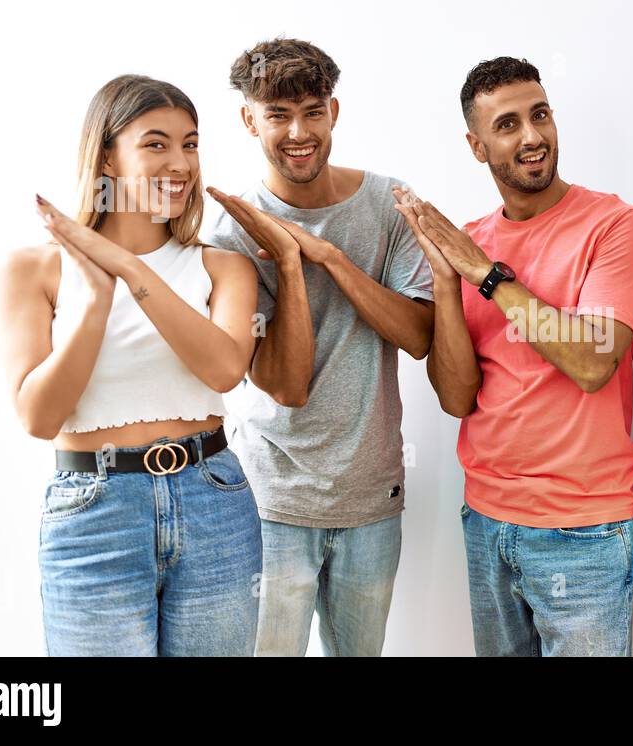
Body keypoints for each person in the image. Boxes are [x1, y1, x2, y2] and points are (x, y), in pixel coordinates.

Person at [392, 57, 633, 656]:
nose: (533, 136)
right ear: (477, 146)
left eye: (540, 115)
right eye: (508, 124)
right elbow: (457, 397)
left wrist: (485, 275)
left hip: (583, 528)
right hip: (487, 520)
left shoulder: (616, 225)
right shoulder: (466, 244)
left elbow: (592, 363)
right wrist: (444, 282)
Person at [0, 74, 261, 656]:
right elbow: (39, 418)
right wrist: (94, 298)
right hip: (93, 512)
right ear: (109, 158)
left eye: (190, 144)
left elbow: (224, 370)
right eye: (156, 143)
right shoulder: (34, 269)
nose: (180, 162)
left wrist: (131, 271)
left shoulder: (223, 268)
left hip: (213, 499)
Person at [202, 38, 434, 657]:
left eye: (311, 110)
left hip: (371, 496)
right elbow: (284, 384)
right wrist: (286, 257)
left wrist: (329, 258)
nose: (298, 131)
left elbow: (417, 335)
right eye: (278, 115)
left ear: (335, 110)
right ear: (249, 120)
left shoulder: (388, 205)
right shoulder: (232, 229)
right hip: (268, 498)